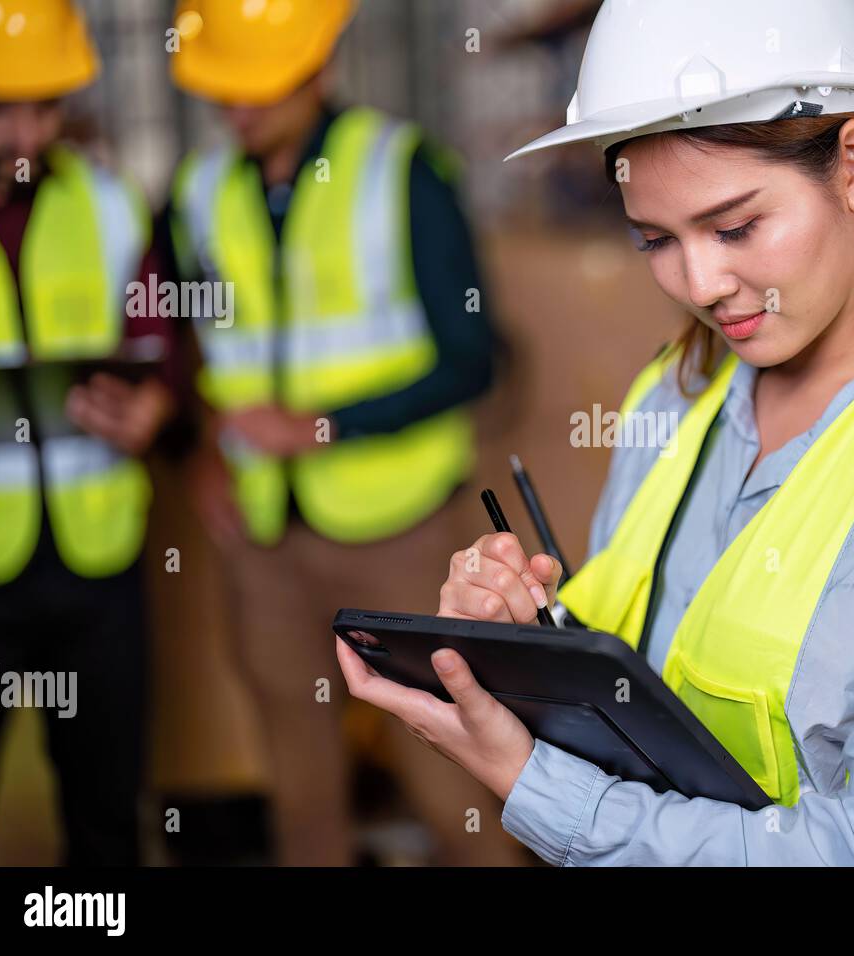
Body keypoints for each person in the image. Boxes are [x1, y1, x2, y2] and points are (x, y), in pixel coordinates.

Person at [337, 0, 854, 867]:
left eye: (735, 227)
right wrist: (531, 643)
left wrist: (538, 787)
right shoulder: (675, 396)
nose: (701, 283)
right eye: (655, 237)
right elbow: (652, 684)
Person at [165, 0, 522, 865]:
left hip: (397, 528)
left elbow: (474, 359)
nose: (240, 109)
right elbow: (194, 347)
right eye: (227, 91)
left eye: (261, 87)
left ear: (319, 70)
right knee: (301, 784)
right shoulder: (198, 193)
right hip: (265, 536)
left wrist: (325, 428)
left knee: (446, 772)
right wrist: (205, 448)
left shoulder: (400, 171)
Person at [0, 0, 179, 865]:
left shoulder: (108, 204)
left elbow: (162, 340)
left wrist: (157, 407)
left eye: (45, 104)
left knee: (105, 822)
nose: (27, 130)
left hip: (97, 567)